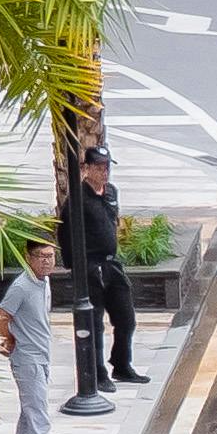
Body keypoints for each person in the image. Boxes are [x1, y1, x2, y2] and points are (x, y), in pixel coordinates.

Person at [56, 136, 141, 409]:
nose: (104, 172)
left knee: (126, 318)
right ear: (87, 168)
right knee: (93, 324)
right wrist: (76, 268)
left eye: (107, 167)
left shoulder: (111, 192)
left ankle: (121, 364)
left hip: (111, 263)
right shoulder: (77, 199)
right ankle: (98, 373)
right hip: (90, 266)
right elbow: (65, 234)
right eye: (99, 167)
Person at [0, 229, 57, 434]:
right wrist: (10, 340)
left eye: (50, 256)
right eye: (41, 256)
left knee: (30, 412)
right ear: (28, 258)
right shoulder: (22, 287)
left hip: (42, 356)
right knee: (38, 416)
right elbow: (0, 318)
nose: (47, 261)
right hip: (28, 358)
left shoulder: (45, 282)